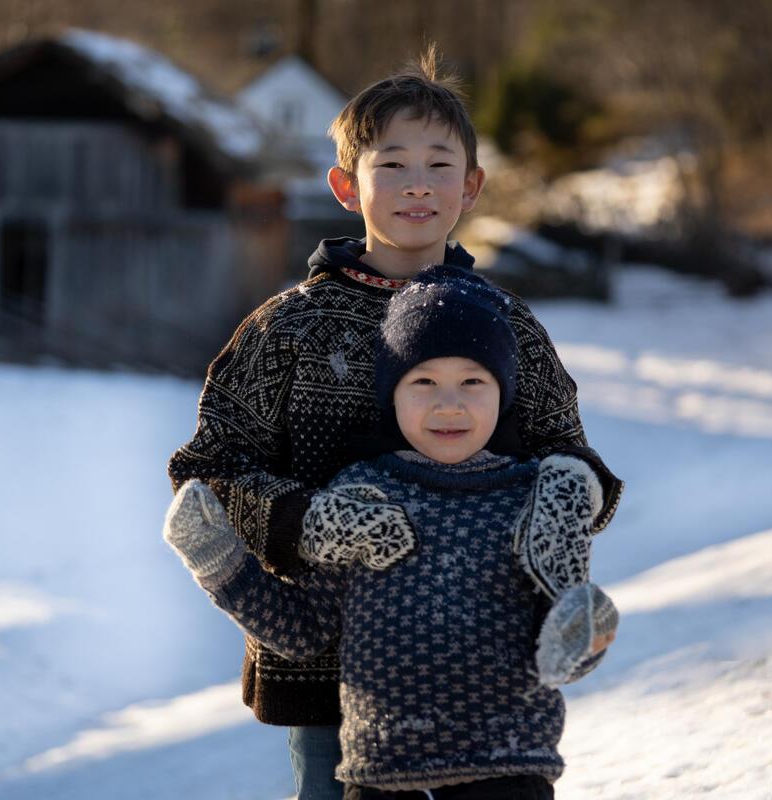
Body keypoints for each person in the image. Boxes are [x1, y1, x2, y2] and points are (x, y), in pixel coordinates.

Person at [165, 49, 623, 799]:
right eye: (393, 164)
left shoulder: (506, 326)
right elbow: (207, 470)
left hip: (487, 667)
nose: (418, 184)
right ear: (347, 186)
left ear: (471, 186)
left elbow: (570, 458)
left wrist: (566, 504)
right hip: (322, 659)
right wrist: (306, 520)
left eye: (440, 165)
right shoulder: (289, 328)